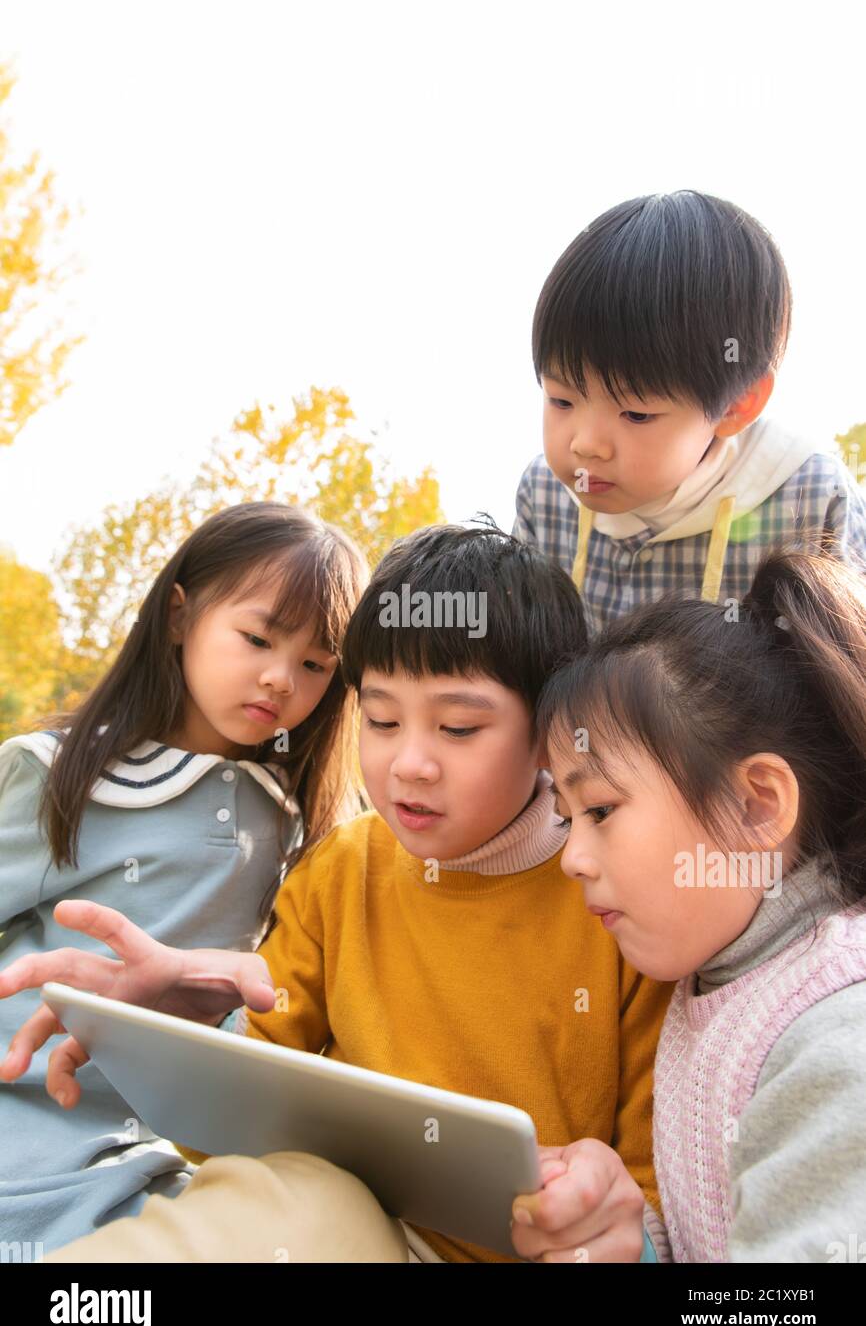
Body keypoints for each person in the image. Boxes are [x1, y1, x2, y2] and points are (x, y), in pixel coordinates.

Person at [3, 522, 675, 1263]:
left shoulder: (619, 901)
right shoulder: (339, 872)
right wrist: (166, 1035)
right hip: (334, 1235)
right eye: (380, 720)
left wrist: (624, 1236)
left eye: (457, 727)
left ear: (551, 729)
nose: (409, 764)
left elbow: (655, 1195)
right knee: (305, 1199)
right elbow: (228, 1126)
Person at [0, 501, 367, 1253]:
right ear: (179, 615)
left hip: (163, 1140)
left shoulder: (296, 824)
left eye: (315, 664)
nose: (278, 679)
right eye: (257, 638)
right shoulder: (58, 774)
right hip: (25, 1111)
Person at [537, 544, 866, 1261]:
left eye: (598, 809)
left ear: (756, 805)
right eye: (565, 819)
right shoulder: (719, 976)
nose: (572, 858)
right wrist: (635, 1245)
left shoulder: (839, 1035)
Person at [513, 190, 866, 635]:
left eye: (636, 414)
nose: (585, 445)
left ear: (738, 404)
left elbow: (849, 678)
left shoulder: (809, 502)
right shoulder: (544, 497)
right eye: (561, 400)